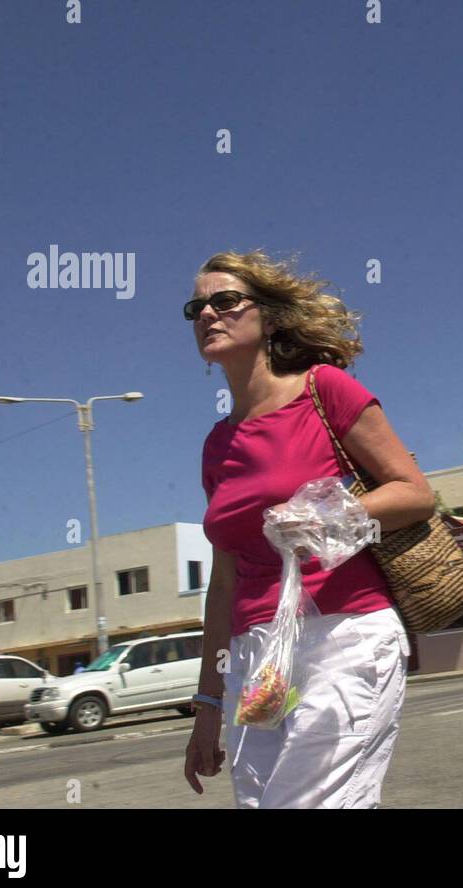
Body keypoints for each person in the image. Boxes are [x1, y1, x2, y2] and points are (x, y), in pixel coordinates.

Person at [182, 250, 435, 808]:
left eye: (224, 301)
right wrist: (206, 704)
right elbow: (222, 584)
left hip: (343, 635)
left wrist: (327, 516)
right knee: (259, 802)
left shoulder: (324, 390)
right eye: (196, 307)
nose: (207, 314)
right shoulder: (216, 445)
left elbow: (414, 492)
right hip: (256, 657)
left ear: (268, 317)